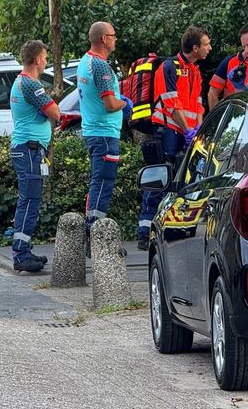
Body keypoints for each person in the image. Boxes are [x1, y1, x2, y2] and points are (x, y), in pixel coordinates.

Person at [137, 26, 210, 250]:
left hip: (186, 132)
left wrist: (196, 131)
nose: (209, 48)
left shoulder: (195, 70)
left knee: (185, 179)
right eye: (206, 44)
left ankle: (177, 226)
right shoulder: (170, 67)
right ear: (195, 47)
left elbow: (198, 103)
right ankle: (144, 231)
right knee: (161, 176)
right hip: (167, 130)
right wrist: (187, 129)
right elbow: (170, 103)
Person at [8, 40, 60, 273]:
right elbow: (55, 113)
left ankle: (24, 248)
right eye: (45, 57)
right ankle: (21, 253)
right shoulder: (31, 85)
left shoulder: (20, 82)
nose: (46, 61)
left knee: (28, 200)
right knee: (30, 201)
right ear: (38, 59)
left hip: (27, 148)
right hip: (29, 149)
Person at [77, 22, 131, 233]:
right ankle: (96, 234)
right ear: (104, 39)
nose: (115, 39)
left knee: (97, 180)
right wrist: (125, 103)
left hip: (93, 131)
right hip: (105, 133)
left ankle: (92, 230)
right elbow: (110, 104)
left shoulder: (85, 61)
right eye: (113, 35)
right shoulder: (100, 65)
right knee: (103, 182)